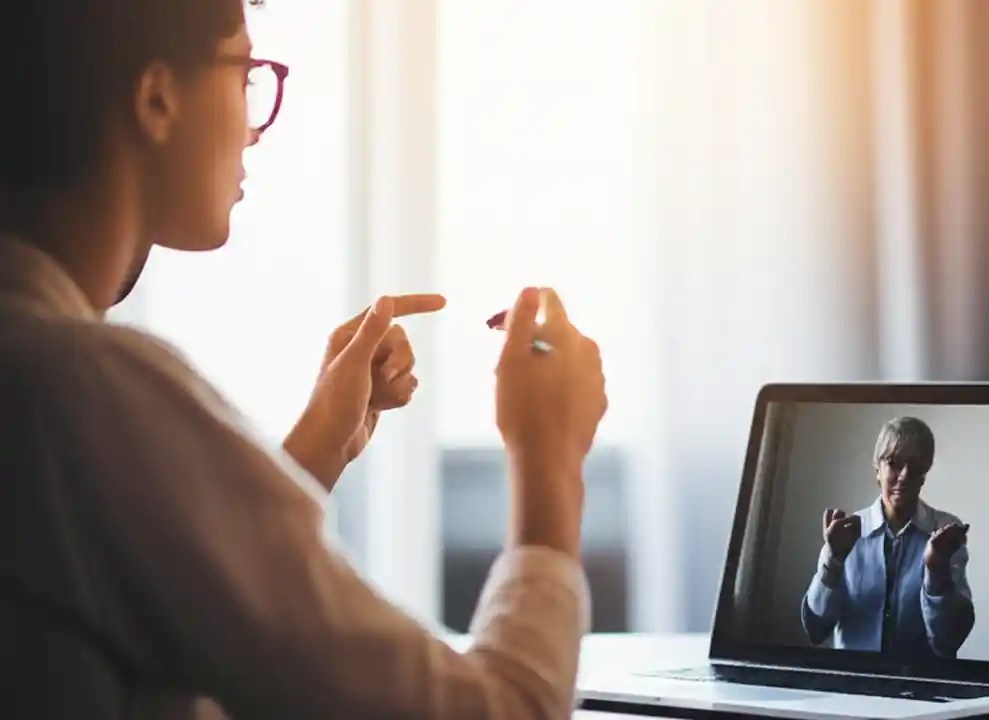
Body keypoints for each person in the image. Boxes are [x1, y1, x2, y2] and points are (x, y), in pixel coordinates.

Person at [0, 1, 606, 718]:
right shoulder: (81, 392)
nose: (256, 129)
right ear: (158, 98)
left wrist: (322, 441)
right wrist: (550, 465)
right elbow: (503, 711)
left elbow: (181, 601)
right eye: (246, 74)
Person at [800, 417, 974, 661]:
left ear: (924, 474)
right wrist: (833, 561)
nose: (904, 475)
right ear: (877, 471)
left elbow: (949, 640)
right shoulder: (846, 533)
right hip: (854, 685)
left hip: (922, 688)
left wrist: (937, 572)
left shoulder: (944, 533)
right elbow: (816, 630)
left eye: (915, 466)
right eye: (893, 463)